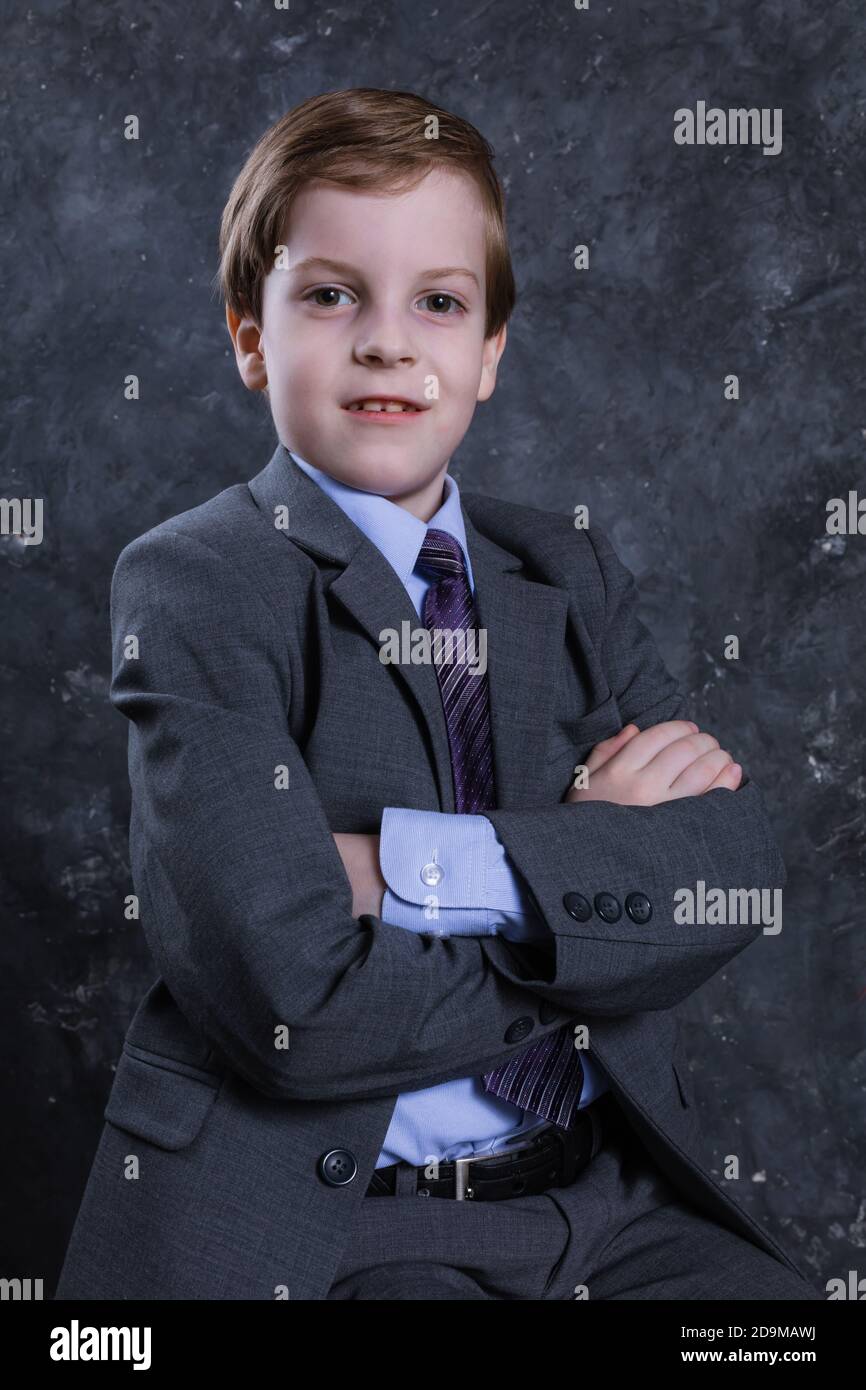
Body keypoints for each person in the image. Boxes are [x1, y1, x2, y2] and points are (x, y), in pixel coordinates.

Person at [55, 86, 819, 1301]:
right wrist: (589, 880)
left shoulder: (563, 571)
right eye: (329, 294)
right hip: (345, 1227)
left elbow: (726, 874)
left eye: (440, 303)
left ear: (489, 352)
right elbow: (293, 1000)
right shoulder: (201, 582)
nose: (387, 343)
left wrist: (416, 868)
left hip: (598, 1207)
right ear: (250, 334)